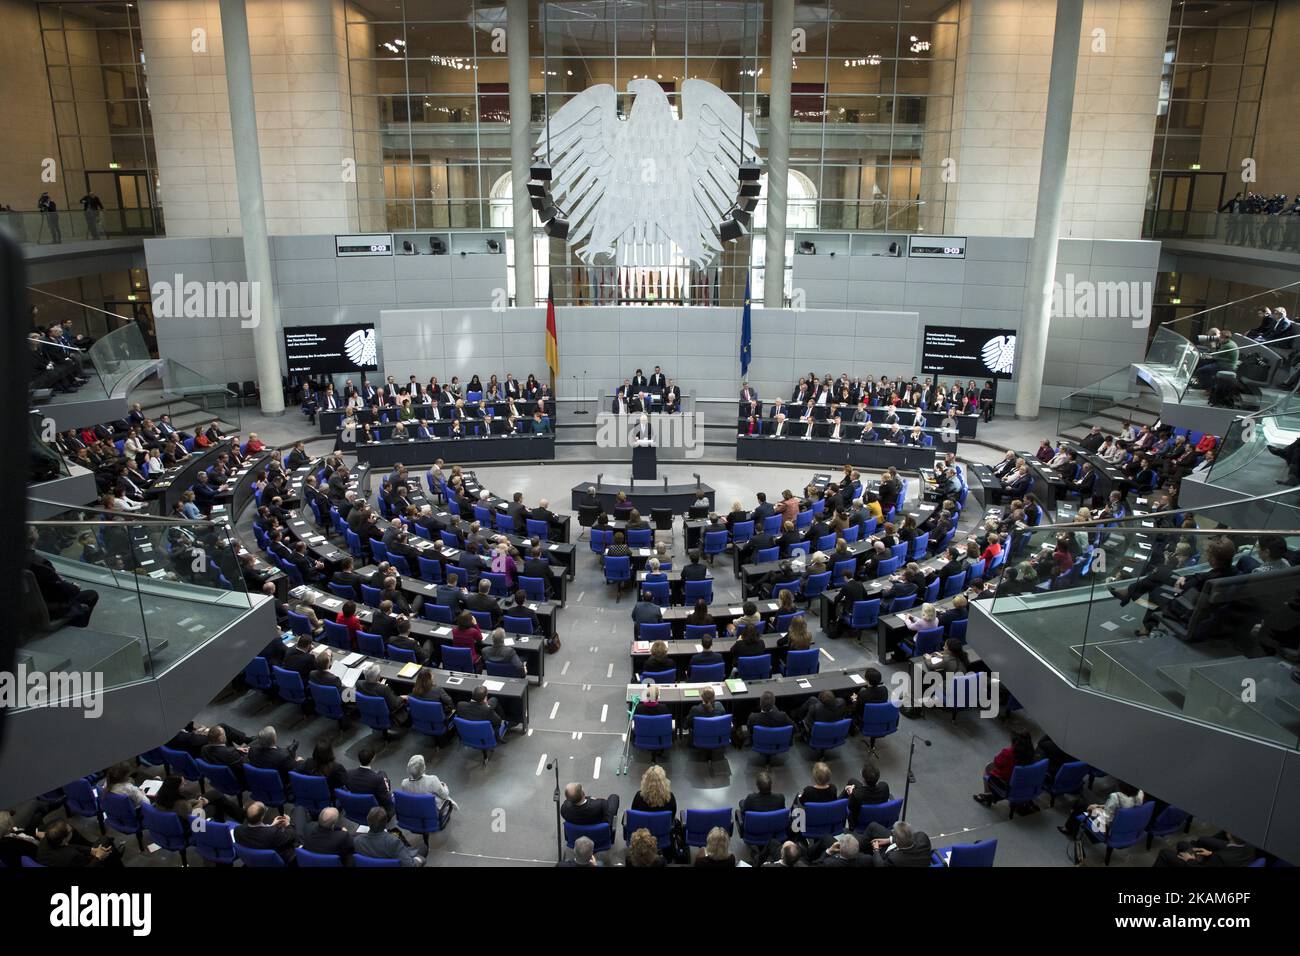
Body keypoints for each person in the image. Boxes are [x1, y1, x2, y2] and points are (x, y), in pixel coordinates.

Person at [974, 730, 1036, 806]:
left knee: (988, 766)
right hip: (1021, 785)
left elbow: (997, 763)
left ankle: (988, 795)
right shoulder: (1031, 754)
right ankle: (989, 795)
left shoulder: (1008, 752)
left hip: (1005, 785)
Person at [354, 806, 424, 866]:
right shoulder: (393, 842)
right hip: (404, 858)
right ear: (386, 822)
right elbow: (410, 865)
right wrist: (419, 860)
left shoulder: (357, 841)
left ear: (368, 821)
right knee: (423, 848)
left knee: (396, 831)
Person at [234, 801, 298, 865]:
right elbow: (290, 836)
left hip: (254, 861)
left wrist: (271, 826)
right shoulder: (273, 833)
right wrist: (288, 824)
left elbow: (260, 832)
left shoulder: (237, 830)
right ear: (262, 817)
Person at [345, 747, 394, 817]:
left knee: (382, 773)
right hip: (375, 811)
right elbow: (386, 800)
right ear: (372, 759)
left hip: (357, 806)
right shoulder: (377, 779)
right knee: (383, 776)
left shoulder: (348, 773)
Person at [865, 820, 933, 867]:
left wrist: (876, 850)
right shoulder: (923, 837)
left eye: (893, 833)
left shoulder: (894, 859)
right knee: (873, 827)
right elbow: (909, 837)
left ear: (898, 841)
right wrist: (890, 840)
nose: (891, 831)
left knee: (863, 859)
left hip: (886, 857)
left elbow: (880, 865)